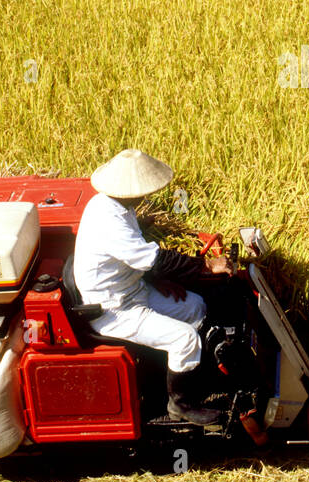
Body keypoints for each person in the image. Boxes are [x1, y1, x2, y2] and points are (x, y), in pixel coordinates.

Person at [72, 149, 221, 426]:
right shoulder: (110, 220)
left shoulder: (112, 205)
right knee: (185, 338)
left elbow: (134, 259)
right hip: (113, 309)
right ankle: (180, 405)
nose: (146, 196)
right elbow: (154, 258)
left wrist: (155, 280)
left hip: (133, 289)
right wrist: (207, 266)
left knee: (195, 306)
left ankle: (175, 377)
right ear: (132, 192)